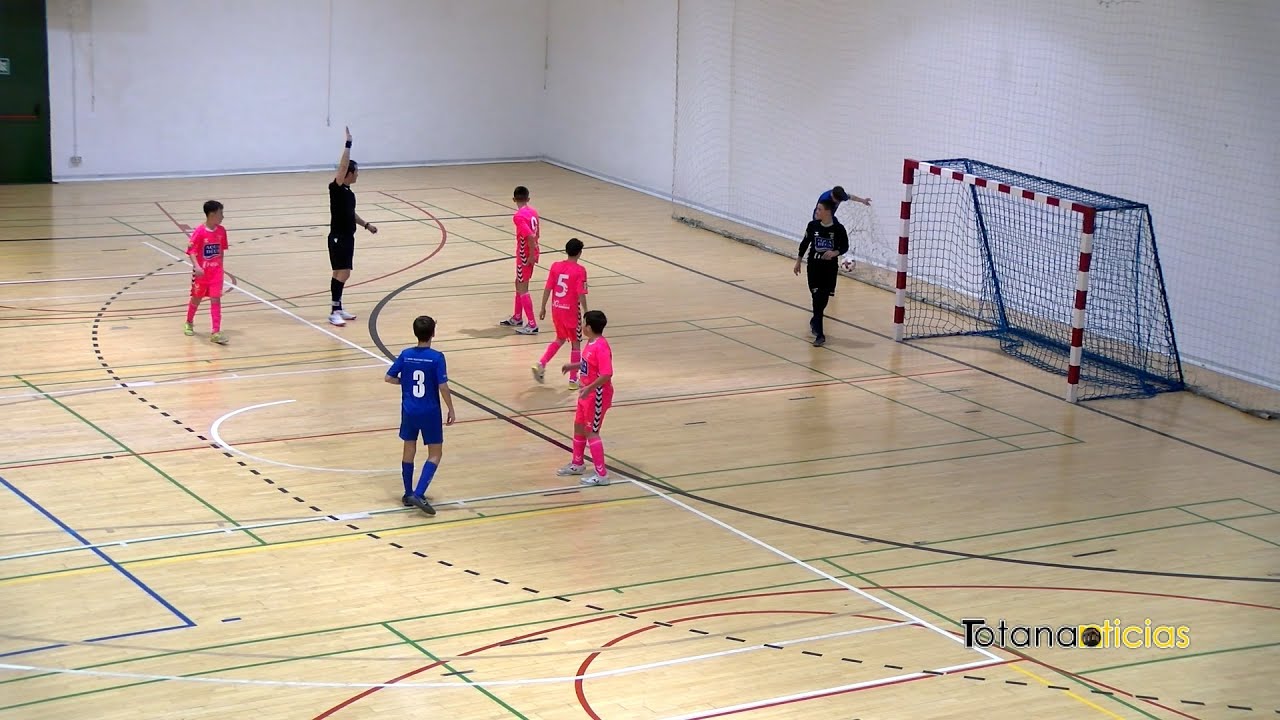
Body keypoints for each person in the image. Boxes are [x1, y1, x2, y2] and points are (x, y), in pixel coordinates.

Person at [385, 315, 456, 516]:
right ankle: (419, 492)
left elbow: (389, 378)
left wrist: (405, 383)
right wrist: (450, 408)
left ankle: (408, 494)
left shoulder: (406, 354)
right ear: (433, 333)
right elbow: (442, 386)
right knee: (435, 453)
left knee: (409, 448)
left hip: (409, 409)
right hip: (430, 410)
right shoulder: (436, 357)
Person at [328, 126, 378, 327]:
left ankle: (338, 308)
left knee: (340, 272)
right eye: (356, 172)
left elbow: (350, 214)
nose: (358, 175)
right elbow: (342, 167)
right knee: (344, 272)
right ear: (348, 173)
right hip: (339, 237)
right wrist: (348, 143)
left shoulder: (349, 193)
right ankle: (333, 312)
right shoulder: (337, 188)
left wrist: (366, 224)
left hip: (348, 236)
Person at [556, 310, 614, 486]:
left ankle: (601, 475)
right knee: (579, 426)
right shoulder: (591, 342)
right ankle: (577, 463)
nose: (582, 326)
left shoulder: (601, 346)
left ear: (589, 327)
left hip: (596, 395)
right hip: (586, 392)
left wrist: (589, 388)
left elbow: (606, 374)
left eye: (584, 323)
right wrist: (573, 365)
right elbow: (589, 363)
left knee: (592, 431)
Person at [532, 238, 589, 388]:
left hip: (556, 309)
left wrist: (543, 306)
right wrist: (586, 312)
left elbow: (548, 287)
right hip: (570, 311)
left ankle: (541, 363)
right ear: (580, 253)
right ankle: (572, 379)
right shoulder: (580, 270)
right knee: (576, 344)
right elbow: (581, 293)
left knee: (560, 339)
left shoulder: (556, 266)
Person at [794, 199, 849, 347]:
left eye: (819, 209)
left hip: (829, 270)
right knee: (816, 299)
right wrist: (798, 261)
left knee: (822, 301)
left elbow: (845, 247)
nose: (816, 212)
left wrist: (834, 252)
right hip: (814, 268)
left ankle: (816, 323)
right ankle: (820, 334)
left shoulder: (838, 229)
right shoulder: (812, 226)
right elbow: (804, 244)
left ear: (828, 212)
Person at [184, 200, 230, 345]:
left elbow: (221, 251)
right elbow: (191, 251)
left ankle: (215, 332)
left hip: (216, 273)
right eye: (220, 213)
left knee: (216, 299)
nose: (222, 216)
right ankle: (189, 322)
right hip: (202, 274)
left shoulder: (222, 231)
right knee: (196, 299)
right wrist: (197, 266)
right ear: (212, 214)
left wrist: (221, 268)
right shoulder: (199, 232)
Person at [813, 186, 869, 297]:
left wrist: (863, 200)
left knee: (832, 257)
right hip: (822, 224)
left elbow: (850, 197)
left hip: (831, 221)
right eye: (838, 200)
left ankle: (830, 287)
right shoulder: (825, 201)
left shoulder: (839, 195)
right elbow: (817, 216)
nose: (839, 202)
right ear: (833, 197)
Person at [500, 185, 541, 334]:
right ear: (528, 198)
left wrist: (530, 255)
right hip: (531, 251)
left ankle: (532, 324)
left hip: (525, 254)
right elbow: (537, 234)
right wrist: (535, 252)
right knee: (518, 282)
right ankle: (517, 317)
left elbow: (529, 236)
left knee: (523, 287)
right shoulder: (533, 212)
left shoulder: (519, 216)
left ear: (514, 199)